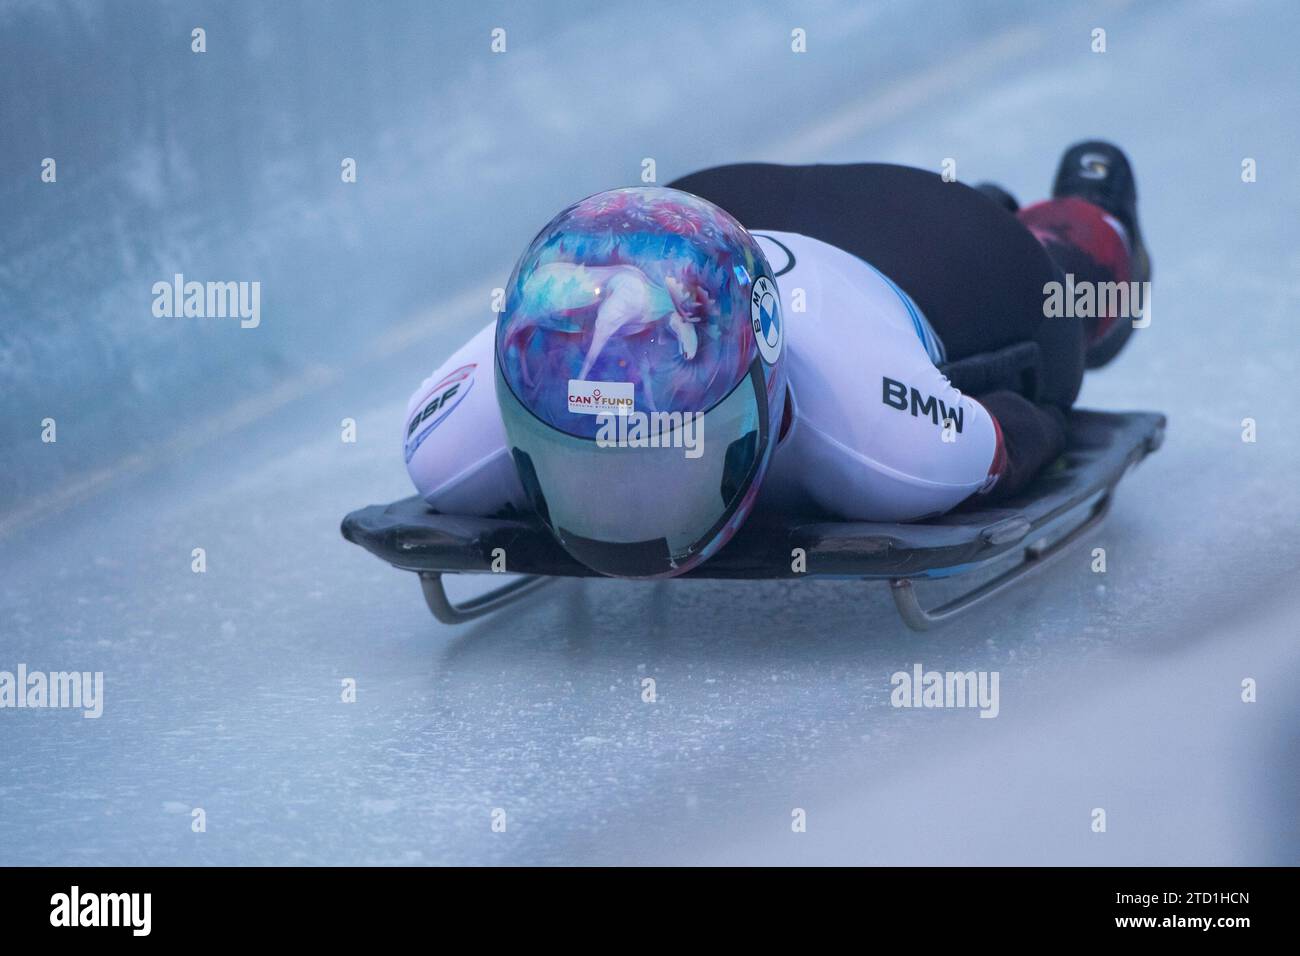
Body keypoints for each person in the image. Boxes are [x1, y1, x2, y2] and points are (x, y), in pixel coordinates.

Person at [403, 140, 1150, 574]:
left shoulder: (896, 448)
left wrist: (1046, 408)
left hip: (940, 245)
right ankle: (995, 201)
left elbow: (1025, 422)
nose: (623, 508)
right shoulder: (473, 414)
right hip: (717, 204)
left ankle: (1090, 218)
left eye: (660, 461)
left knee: (1063, 309)